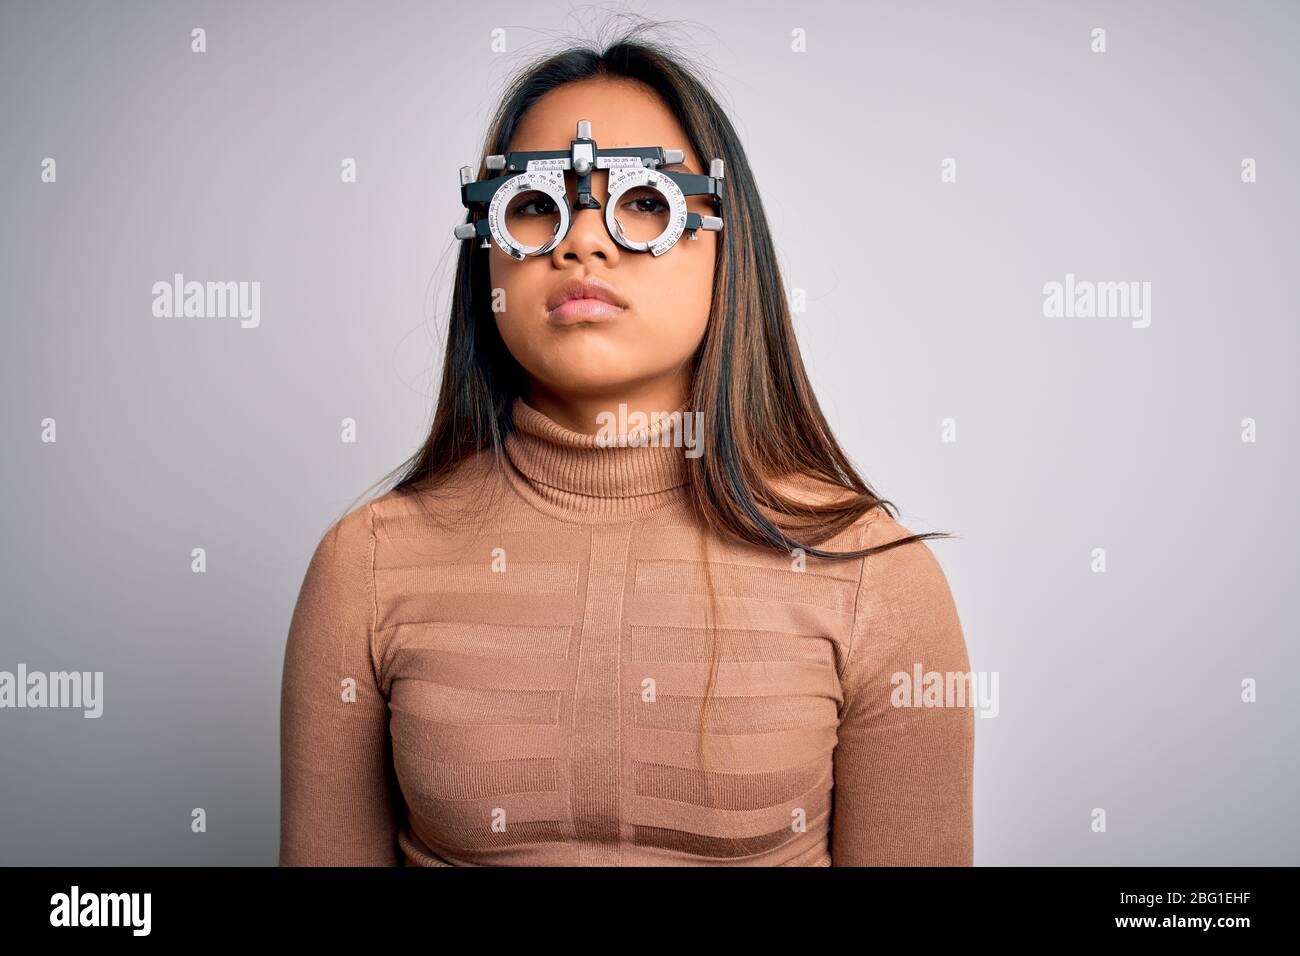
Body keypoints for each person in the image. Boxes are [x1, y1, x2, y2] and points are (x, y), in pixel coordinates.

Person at [279, 30, 973, 867]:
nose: (582, 242)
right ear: (488, 251)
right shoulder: (365, 567)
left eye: (644, 201)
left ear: (727, 241)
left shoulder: (874, 579)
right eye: (533, 205)